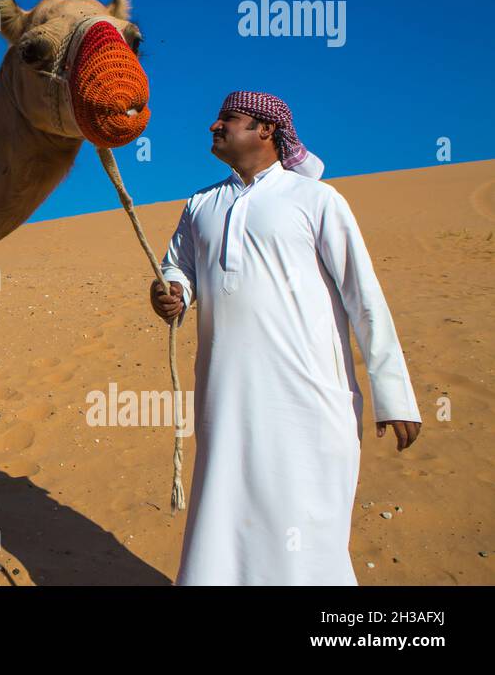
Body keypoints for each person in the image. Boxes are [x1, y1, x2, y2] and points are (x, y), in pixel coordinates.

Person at [150, 91, 421, 585]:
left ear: (266, 130)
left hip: (307, 398)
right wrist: (174, 292)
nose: (214, 125)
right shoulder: (200, 204)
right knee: (223, 517)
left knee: (306, 523)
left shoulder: (316, 199)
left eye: (228, 118)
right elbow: (178, 268)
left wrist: (394, 395)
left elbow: (364, 296)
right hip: (225, 396)